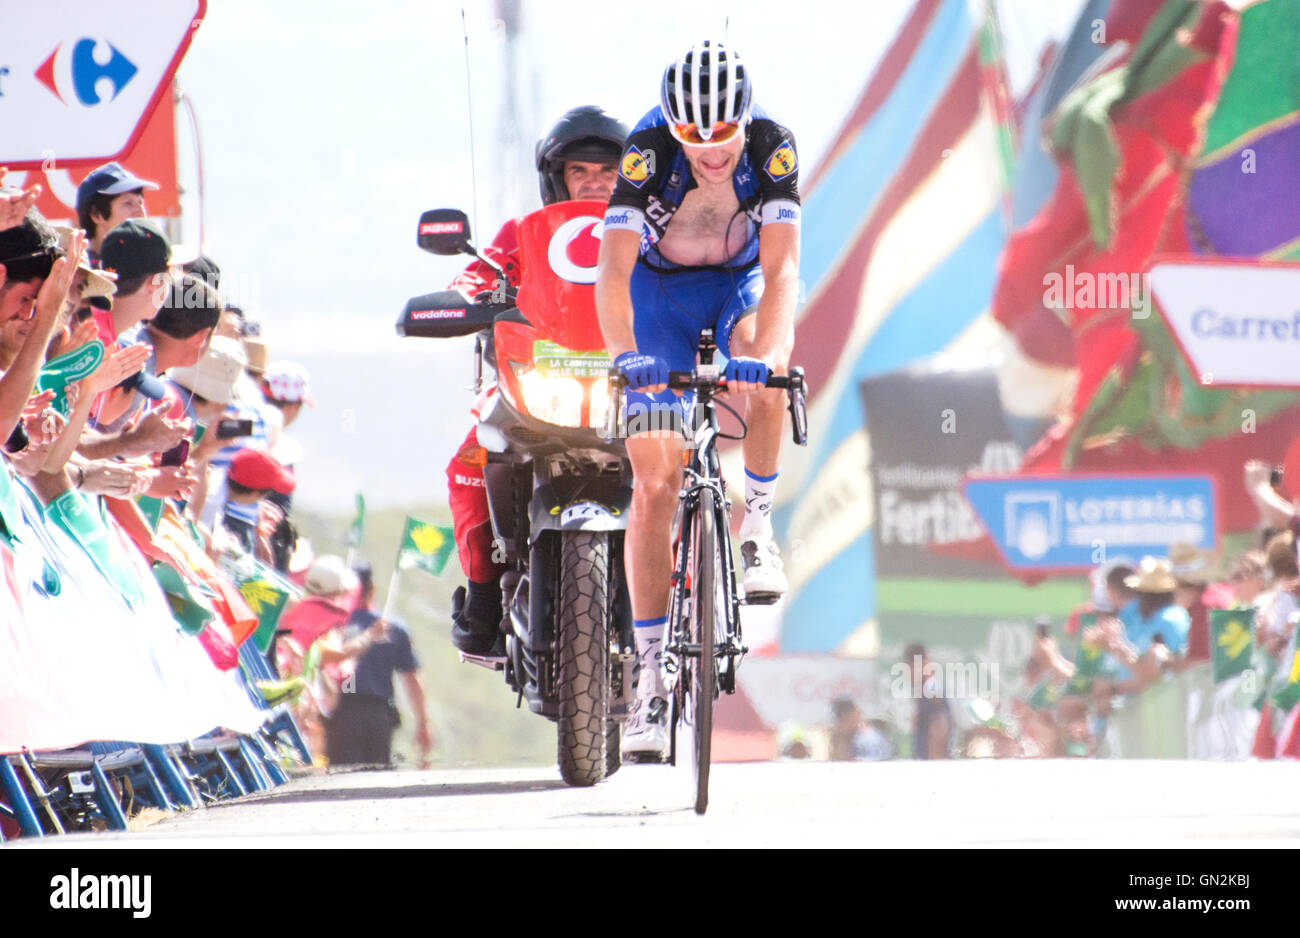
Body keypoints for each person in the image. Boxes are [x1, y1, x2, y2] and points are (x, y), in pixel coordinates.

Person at [594, 41, 801, 755]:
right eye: (695, 136)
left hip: (736, 289)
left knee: (765, 361)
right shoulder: (647, 152)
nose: (711, 152)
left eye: (722, 134)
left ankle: (759, 530)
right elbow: (613, 274)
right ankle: (651, 685)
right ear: (673, 128)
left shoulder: (772, 147)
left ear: (745, 118)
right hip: (658, 304)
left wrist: (771, 354)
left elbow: (783, 271)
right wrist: (626, 355)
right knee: (654, 483)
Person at [445, 105, 629, 655]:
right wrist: (468, 301)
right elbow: (473, 279)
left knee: (689, 464)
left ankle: (690, 592)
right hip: (540, 383)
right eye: (580, 172)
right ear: (558, 178)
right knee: (470, 463)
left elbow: (688, 289)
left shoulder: (655, 235)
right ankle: (483, 598)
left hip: (632, 389)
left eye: (607, 173)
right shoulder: (522, 234)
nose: (594, 184)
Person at [327, 563, 434, 767]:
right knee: (375, 780)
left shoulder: (334, 624)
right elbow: (412, 678)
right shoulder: (394, 628)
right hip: (379, 716)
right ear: (372, 588)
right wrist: (423, 723)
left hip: (341, 711)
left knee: (338, 778)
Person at [74, 161, 159, 264]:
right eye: (128, 203)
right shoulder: (80, 275)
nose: (141, 212)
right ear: (96, 215)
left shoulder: (149, 266)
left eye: (140, 202)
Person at [902, 643, 952, 759]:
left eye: (908, 667)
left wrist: (933, 763)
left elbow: (939, 726)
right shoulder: (925, 687)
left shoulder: (931, 686)